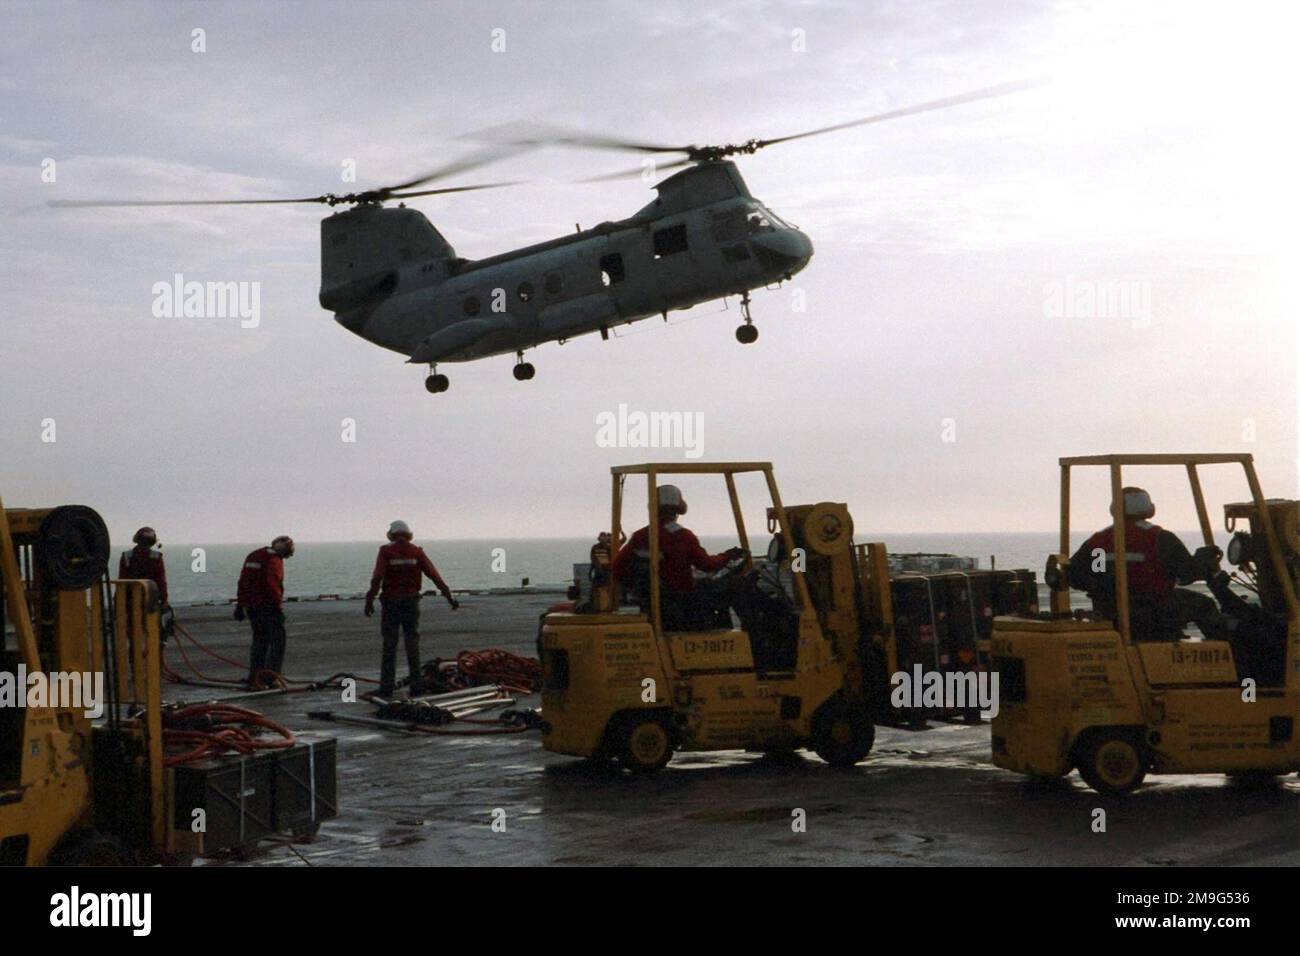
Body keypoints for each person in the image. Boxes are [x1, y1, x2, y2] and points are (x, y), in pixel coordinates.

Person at [1068, 487, 1233, 642]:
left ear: (1114, 509)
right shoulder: (1159, 538)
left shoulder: (1099, 541)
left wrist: (1104, 587)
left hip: (1109, 610)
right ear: (1150, 509)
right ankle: (1232, 655)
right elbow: (1186, 573)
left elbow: (1076, 576)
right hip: (1155, 609)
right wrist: (1201, 560)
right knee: (1204, 604)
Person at [611, 484, 745, 630]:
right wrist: (727, 556)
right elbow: (707, 565)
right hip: (683, 602)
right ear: (678, 511)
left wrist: (641, 589)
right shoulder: (683, 537)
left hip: (652, 604)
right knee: (735, 587)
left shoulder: (640, 536)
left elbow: (617, 568)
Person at [364, 521, 459, 698]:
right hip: (411, 602)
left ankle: (386, 688)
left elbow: (377, 578)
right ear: (409, 534)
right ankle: (416, 687)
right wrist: (449, 597)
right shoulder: (417, 551)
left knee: (389, 645)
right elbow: (435, 576)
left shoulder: (385, 551)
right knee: (412, 644)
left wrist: (369, 600)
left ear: (391, 534)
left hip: (391, 603)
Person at [235, 535, 294, 688]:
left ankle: (255, 676)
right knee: (277, 641)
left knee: (259, 641)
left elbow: (243, 581)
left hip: (252, 607)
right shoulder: (274, 560)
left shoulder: (254, 555)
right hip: (268, 608)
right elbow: (272, 585)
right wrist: (278, 607)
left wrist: (240, 605)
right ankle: (270, 677)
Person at [119, 526, 169, 611]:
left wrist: (119, 600)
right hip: (150, 600)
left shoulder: (126, 556)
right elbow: (161, 581)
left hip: (129, 600)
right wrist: (164, 600)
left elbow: (121, 579)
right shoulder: (156, 557)